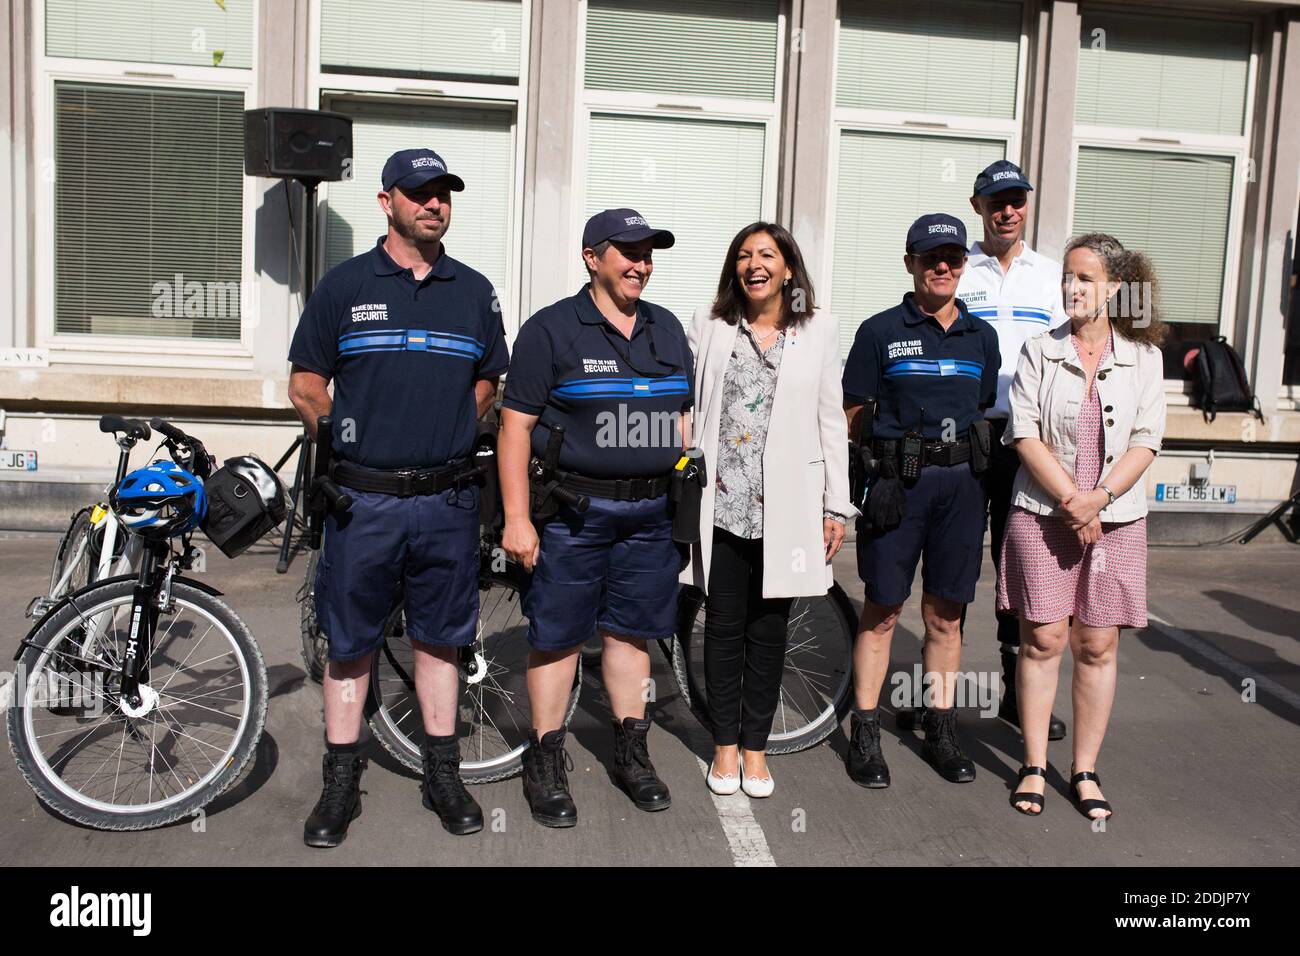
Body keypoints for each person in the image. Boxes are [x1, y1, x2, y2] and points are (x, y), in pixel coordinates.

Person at [287, 148, 508, 847]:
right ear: (387, 202)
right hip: (364, 502)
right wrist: (345, 435)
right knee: (349, 645)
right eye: (419, 193)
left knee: (440, 641)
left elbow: (488, 381)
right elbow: (305, 382)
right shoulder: (345, 286)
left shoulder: (473, 291)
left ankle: (443, 772)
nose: (434, 203)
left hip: (446, 502)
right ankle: (341, 782)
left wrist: (445, 427)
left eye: (443, 193)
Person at [499, 208, 693, 828]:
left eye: (648, 253)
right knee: (555, 637)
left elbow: (681, 418)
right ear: (592, 257)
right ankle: (546, 759)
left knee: (631, 636)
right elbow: (515, 428)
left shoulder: (667, 329)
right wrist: (517, 519)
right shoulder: (551, 330)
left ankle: (630, 753)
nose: (642, 264)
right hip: (573, 514)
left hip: (650, 514)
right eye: (628, 252)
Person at [682, 222, 854, 798]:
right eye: (745, 256)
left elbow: (832, 420)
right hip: (722, 504)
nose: (755, 264)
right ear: (735, 268)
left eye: (768, 255)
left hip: (789, 510)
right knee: (722, 628)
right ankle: (724, 747)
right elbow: (688, 407)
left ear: (787, 268)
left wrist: (837, 505)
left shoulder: (819, 329)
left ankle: (755, 750)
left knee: (770, 631)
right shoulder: (709, 326)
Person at [999, 233, 1165, 820]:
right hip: (1045, 515)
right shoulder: (1039, 350)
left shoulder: (1144, 358)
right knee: (1041, 639)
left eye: (1086, 279)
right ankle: (1035, 765)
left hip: (1116, 520)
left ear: (1115, 289)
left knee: (1096, 643)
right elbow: (1024, 433)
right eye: (1068, 276)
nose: (1072, 287)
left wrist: (1098, 500)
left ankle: (1086, 770)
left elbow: (1146, 441)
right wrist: (1073, 500)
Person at [841, 213, 1000, 788]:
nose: (943, 267)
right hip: (897, 486)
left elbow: (982, 402)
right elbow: (853, 417)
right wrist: (861, 480)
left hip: (962, 487)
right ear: (909, 262)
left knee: (946, 615)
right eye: (931, 257)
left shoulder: (982, 337)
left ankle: (940, 726)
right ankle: (865, 731)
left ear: (964, 264)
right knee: (883, 610)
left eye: (953, 258)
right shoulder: (879, 331)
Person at [951, 160, 1069, 740]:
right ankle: (941, 690)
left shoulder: (1050, 277)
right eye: (996, 200)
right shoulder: (955, 270)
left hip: (1031, 444)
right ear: (978, 206)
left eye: (1016, 200)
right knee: (953, 558)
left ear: (1026, 205)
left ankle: (1017, 691)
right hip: (967, 437)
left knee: (1019, 563)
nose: (1007, 210)